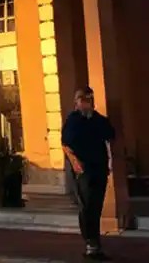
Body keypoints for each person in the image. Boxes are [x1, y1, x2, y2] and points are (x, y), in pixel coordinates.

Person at [62, 87, 115, 261]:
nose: (86, 102)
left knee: (96, 206)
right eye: (82, 99)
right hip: (83, 171)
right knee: (87, 206)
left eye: (89, 99)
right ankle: (90, 242)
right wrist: (76, 165)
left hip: (99, 168)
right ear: (76, 102)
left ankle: (95, 242)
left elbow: (110, 133)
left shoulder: (97, 120)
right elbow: (66, 145)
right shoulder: (73, 121)